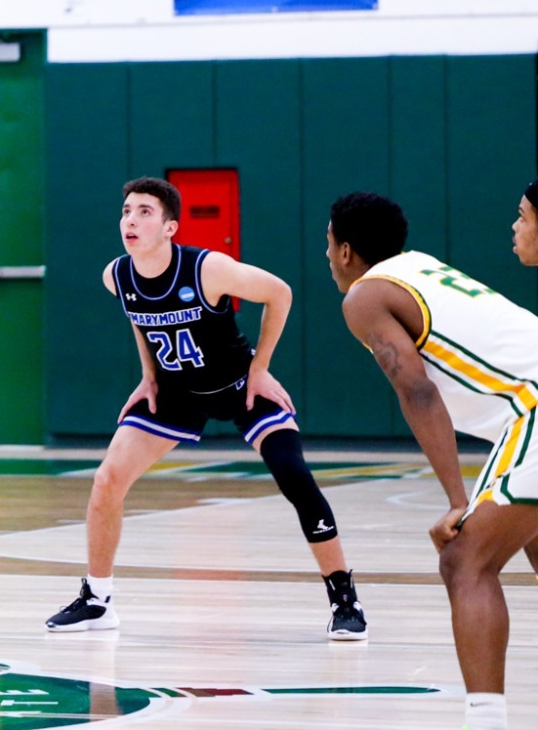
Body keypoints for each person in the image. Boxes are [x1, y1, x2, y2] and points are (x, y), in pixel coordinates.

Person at [44, 177, 365, 640]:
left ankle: (344, 598)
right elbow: (139, 320)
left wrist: (261, 368)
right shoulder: (116, 275)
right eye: (127, 212)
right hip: (176, 391)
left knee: (295, 477)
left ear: (170, 226)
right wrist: (149, 375)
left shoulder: (207, 268)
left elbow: (280, 294)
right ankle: (97, 599)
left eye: (144, 212)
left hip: (239, 386)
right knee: (107, 478)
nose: (130, 220)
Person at [331, 186, 538, 730]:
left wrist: (456, 501)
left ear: (346, 251)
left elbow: (416, 390)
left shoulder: (364, 297)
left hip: (533, 403)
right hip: (523, 410)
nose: (328, 258)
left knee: (464, 559)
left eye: (328, 246)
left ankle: (485, 722)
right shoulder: (420, 267)